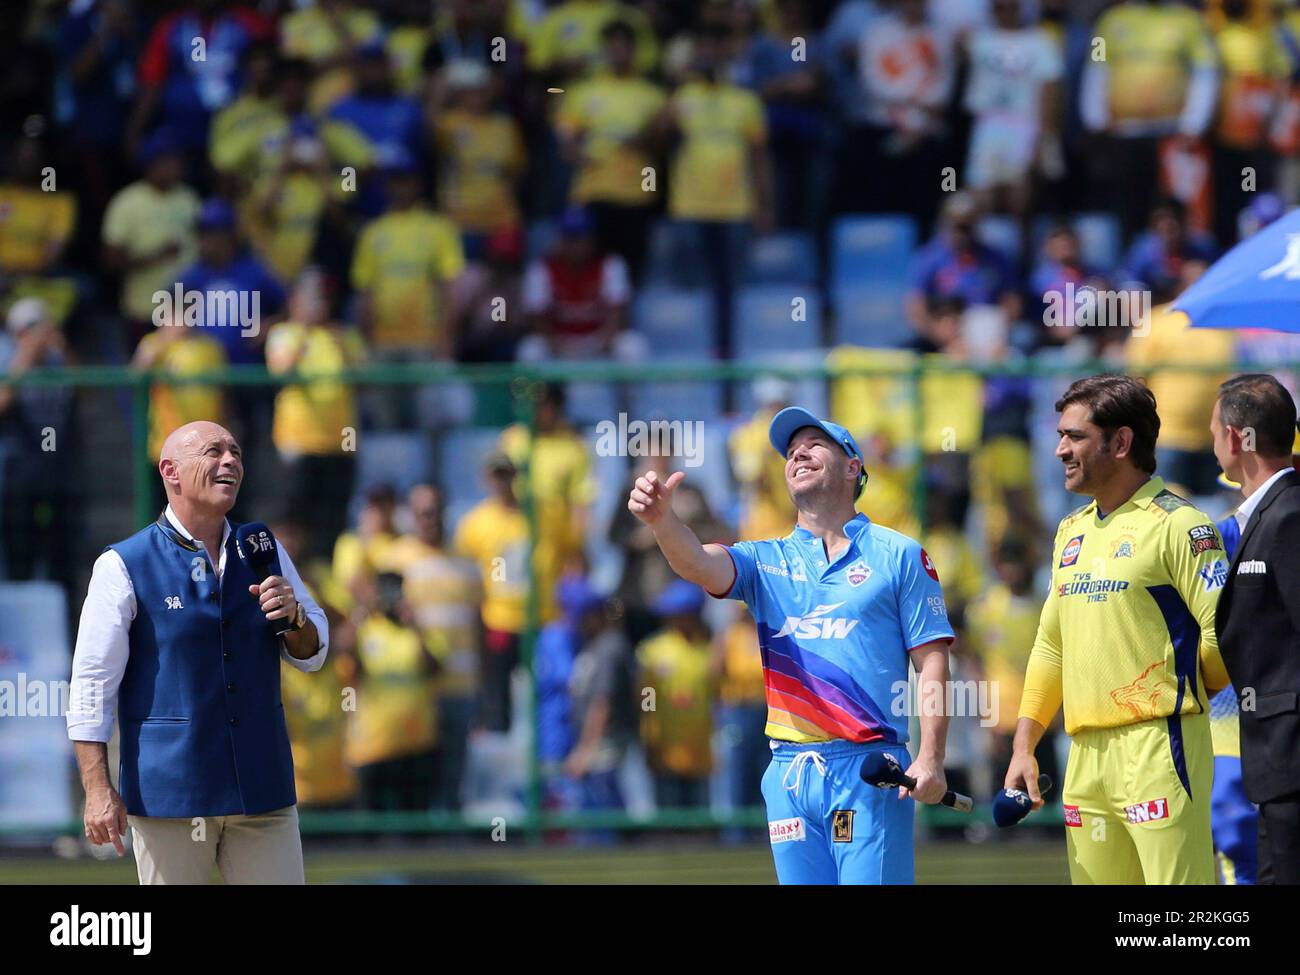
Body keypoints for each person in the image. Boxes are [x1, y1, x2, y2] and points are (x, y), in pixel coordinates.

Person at [627, 406, 956, 885]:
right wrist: (661, 521)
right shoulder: (767, 558)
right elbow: (698, 563)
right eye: (790, 450)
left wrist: (931, 757)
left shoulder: (900, 554)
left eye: (815, 443)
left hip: (868, 770)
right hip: (788, 774)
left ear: (852, 467)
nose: (798, 452)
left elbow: (932, 662)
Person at [66, 420, 328, 884]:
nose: (230, 461)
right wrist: (97, 788)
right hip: (171, 796)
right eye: (213, 452)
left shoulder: (262, 547)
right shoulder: (123, 564)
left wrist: (296, 618)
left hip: (263, 789)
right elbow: (91, 684)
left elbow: (313, 652)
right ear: (171, 471)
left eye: (236, 452)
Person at [1005, 375, 1230, 885]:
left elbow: (1223, 634)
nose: (1060, 449)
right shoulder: (1070, 530)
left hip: (1158, 745)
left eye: (1075, 436)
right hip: (1085, 755)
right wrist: (1025, 746)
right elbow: (1050, 647)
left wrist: (1184, 696)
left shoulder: (1181, 525)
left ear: (1122, 442)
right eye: (1061, 435)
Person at [1211, 372, 1300, 885]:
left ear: (1237, 437)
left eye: (1213, 428)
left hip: (1289, 757)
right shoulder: (1265, 514)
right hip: (1273, 764)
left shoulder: (1288, 515)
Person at [637, 580, 717, 810]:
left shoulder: (708, 649)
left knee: (700, 810)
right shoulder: (654, 651)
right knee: (668, 808)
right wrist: (650, 727)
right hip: (666, 742)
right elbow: (647, 692)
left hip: (700, 744)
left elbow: (716, 694)